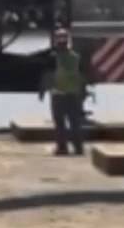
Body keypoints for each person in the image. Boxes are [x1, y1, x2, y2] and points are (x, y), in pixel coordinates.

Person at [38, 27, 89, 156]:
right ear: (68, 41)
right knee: (75, 123)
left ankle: (62, 148)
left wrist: (42, 91)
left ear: (55, 41)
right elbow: (82, 77)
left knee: (60, 123)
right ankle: (78, 148)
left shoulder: (52, 57)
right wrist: (83, 92)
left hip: (58, 95)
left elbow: (47, 76)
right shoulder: (76, 57)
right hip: (73, 95)